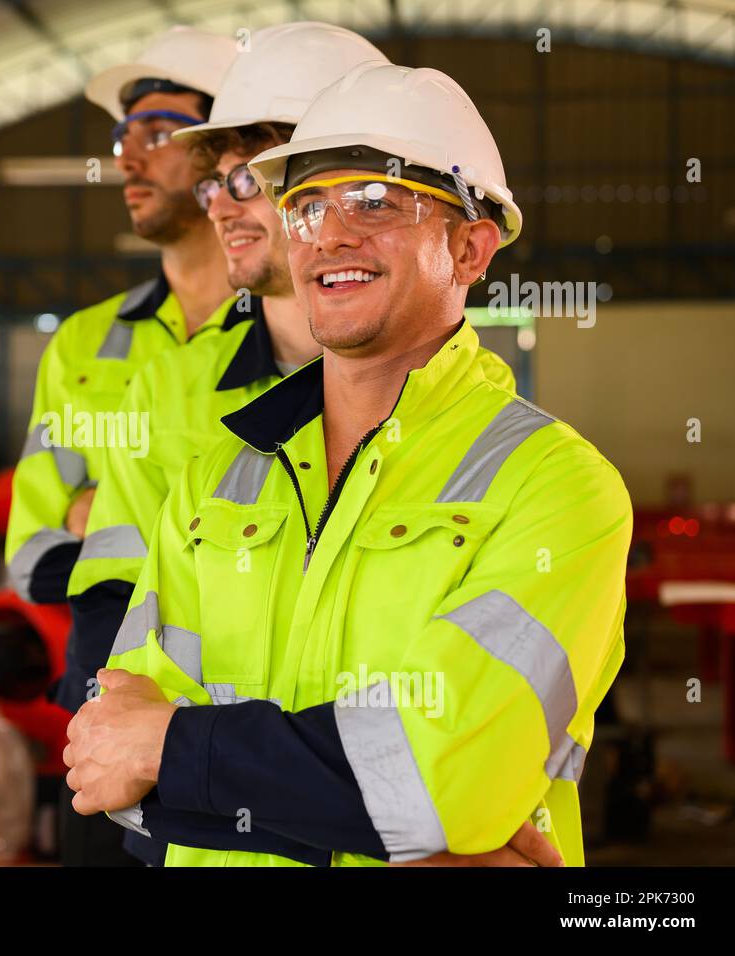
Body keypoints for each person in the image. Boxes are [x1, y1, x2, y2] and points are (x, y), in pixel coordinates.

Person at [63, 62, 632, 867]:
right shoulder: (217, 475)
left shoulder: (558, 488)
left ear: (470, 248)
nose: (330, 235)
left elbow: (440, 783)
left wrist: (178, 755)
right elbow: (109, 760)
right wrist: (407, 839)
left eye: (376, 202)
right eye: (306, 208)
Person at [4, 26, 241, 866]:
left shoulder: (301, 337)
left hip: (246, 711)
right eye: (121, 137)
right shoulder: (83, 345)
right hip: (98, 704)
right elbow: (35, 552)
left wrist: (110, 507)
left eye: (157, 132)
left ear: (229, 151)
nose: (127, 159)